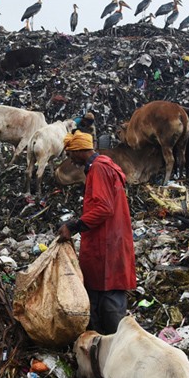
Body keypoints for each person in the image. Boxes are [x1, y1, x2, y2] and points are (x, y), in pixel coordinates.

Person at [57, 131, 136, 334]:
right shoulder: (104, 166)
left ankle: (109, 344)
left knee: (109, 295)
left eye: (70, 154)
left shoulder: (99, 169)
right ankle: (102, 343)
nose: (70, 160)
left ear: (79, 151)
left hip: (106, 241)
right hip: (112, 239)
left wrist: (74, 226)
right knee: (102, 290)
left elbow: (103, 208)